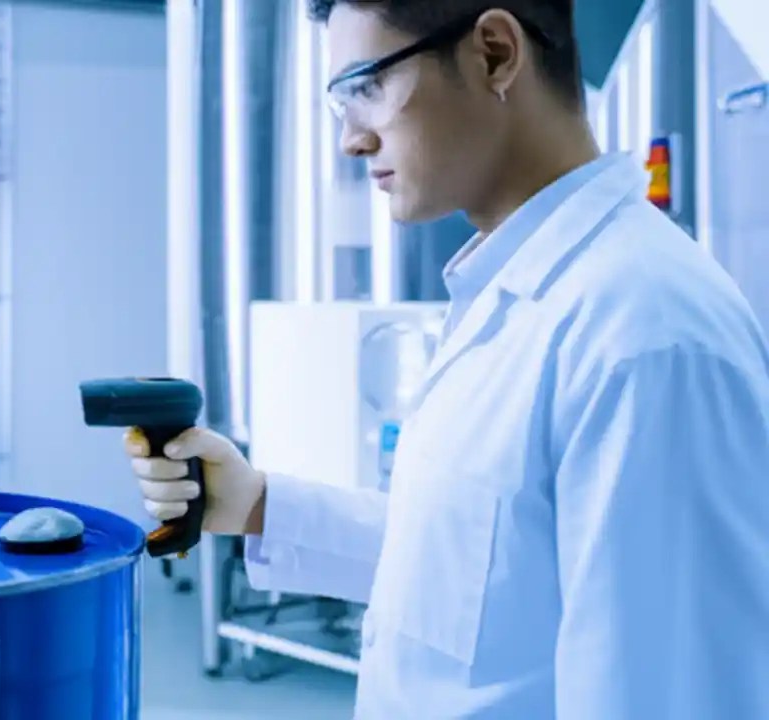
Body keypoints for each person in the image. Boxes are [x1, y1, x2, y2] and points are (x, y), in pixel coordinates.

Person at [124, 1, 769, 718]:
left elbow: (666, 697)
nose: (350, 139)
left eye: (365, 86)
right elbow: (476, 570)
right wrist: (258, 504)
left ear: (494, 52)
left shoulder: (644, 335)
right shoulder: (516, 292)